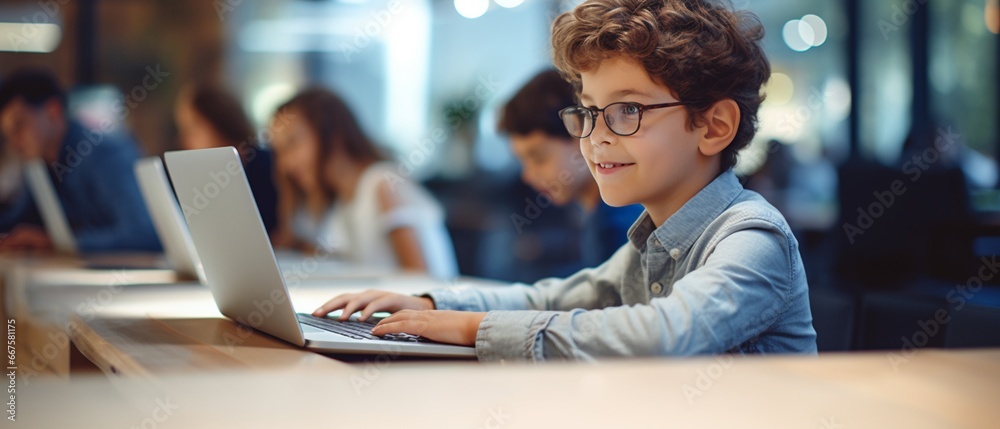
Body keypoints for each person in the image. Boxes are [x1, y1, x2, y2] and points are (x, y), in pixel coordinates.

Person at [313, 0, 817, 360]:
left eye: (626, 110)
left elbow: (665, 334)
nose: (594, 137)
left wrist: (474, 329)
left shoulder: (753, 236)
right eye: (590, 112)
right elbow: (547, 299)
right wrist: (432, 304)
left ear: (713, 126)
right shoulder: (650, 244)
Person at [269, 87, 457, 278]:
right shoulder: (342, 200)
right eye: (279, 152)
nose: (285, 164)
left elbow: (422, 279)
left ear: (331, 133)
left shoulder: (384, 185)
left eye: (293, 143)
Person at [0, 68, 159, 252]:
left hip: (130, 275)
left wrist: (60, 243)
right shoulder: (43, 163)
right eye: (7, 134)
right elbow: (19, 220)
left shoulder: (103, 154)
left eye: (19, 126)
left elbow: (144, 234)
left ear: (53, 111)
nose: (14, 142)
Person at [500, 69, 643, 269]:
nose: (528, 176)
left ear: (580, 130)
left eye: (538, 158)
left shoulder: (618, 226)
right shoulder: (595, 215)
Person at [174, 84, 278, 232]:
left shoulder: (269, 167)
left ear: (219, 122)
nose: (183, 140)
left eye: (192, 129)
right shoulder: (202, 177)